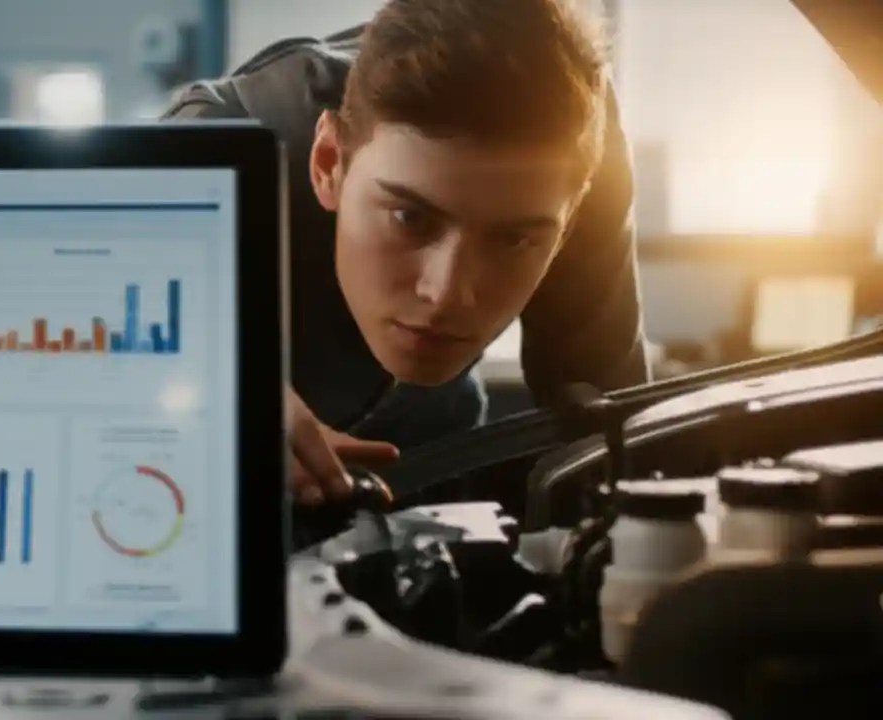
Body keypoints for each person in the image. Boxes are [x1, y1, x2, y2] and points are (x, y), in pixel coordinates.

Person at [164, 0, 649, 505]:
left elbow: (612, 425)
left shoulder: (574, 140)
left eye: (513, 239)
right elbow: (83, 359)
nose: (446, 294)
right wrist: (209, 391)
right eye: (409, 218)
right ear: (328, 163)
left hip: (431, 459)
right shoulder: (200, 161)